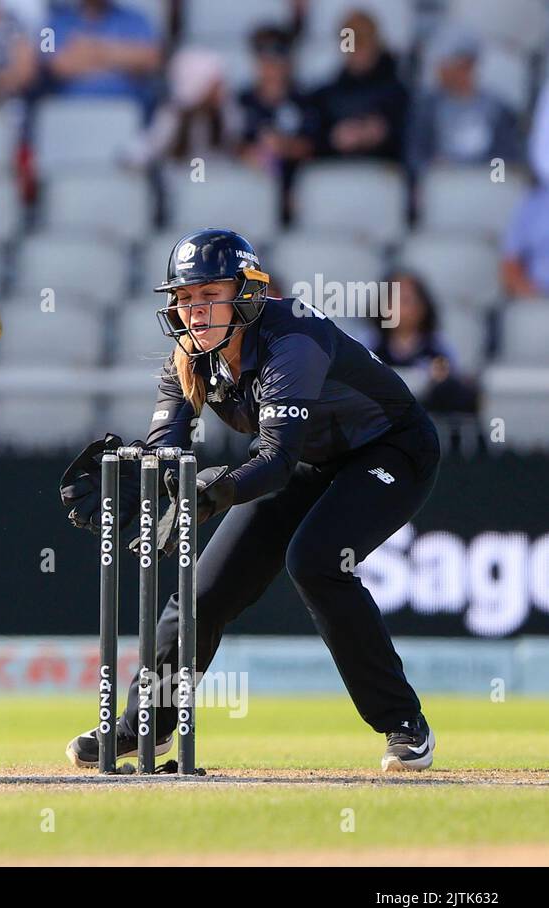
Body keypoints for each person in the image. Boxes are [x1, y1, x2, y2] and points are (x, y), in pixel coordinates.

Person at [59, 228, 442, 773]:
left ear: (247, 292)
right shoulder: (187, 357)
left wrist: (209, 493)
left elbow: (276, 460)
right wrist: (142, 475)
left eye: (210, 295)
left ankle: (405, 725)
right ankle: (146, 725)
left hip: (390, 448)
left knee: (315, 561)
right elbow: (167, 447)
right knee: (202, 592)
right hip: (313, 459)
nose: (195, 311)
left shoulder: (293, 340)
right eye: (186, 298)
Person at [406, 28, 521, 174]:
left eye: (446, 63)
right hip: (441, 189)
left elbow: (507, 159)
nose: (438, 69)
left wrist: (490, 181)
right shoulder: (427, 107)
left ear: (466, 64)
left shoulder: (498, 109)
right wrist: (431, 171)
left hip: (484, 187)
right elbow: (415, 157)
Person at [370, 271, 479, 414]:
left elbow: (450, 382)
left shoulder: (438, 348)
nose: (398, 308)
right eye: (392, 301)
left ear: (422, 307)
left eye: (406, 300)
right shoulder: (371, 348)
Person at [307, 10, 409, 162]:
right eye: (352, 45)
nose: (357, 52)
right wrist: (333, 138)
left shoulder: (399, 95)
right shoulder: (326, 96)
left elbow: (412, 144)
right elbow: (312, 143)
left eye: (363, 43)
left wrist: (384, 133)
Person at [236, 26, 316, 188]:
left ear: (288, 61)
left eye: (276, 57)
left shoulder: (306, 101)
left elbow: (316, 147)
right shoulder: (241, 101)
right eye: (264, 57)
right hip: (249, 188)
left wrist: (284, 146)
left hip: (297, 188)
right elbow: (229, 145)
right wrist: (248, 153)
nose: (271, 66)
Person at [44, 0, 161, 108]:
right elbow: (54, 65)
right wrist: (122, 57)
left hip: (126, 110)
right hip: (68, 112)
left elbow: (151, 59)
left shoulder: (137, 19)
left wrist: (97, 50)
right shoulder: (54, 22)